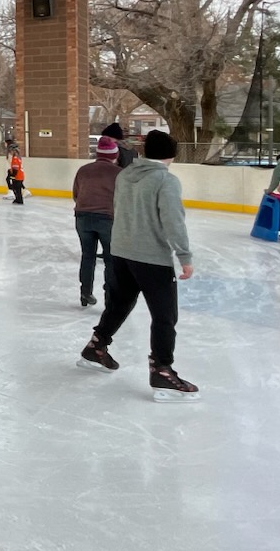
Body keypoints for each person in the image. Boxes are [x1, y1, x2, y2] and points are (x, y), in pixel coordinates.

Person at [78, 130, 199, 400]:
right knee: (165, 315)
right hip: (151, 257)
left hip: (121, 251)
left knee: (120, 303)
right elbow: (173, 221)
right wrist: (185, 256)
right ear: (172, 154)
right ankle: (162, 371)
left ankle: (96, 347)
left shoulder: (125, 174)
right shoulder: (165, 180)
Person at [72, 136, 121, 307]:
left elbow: (76, 195)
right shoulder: (118, 173)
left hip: (82, 217)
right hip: (107, 219)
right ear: (114, 155)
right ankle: (110, 298)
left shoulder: (84, 170)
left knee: (88, 256)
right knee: (111, 260)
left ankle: (85, 293)